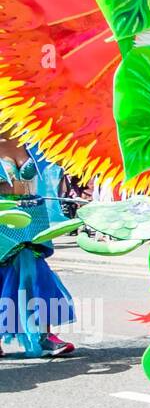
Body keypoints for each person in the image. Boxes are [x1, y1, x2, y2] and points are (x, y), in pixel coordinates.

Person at [0, 137, 76, 359]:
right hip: (4, 220)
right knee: (5, 276)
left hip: (33, 218)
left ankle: (44, 337)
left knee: (37, 275)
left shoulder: (31, 140)